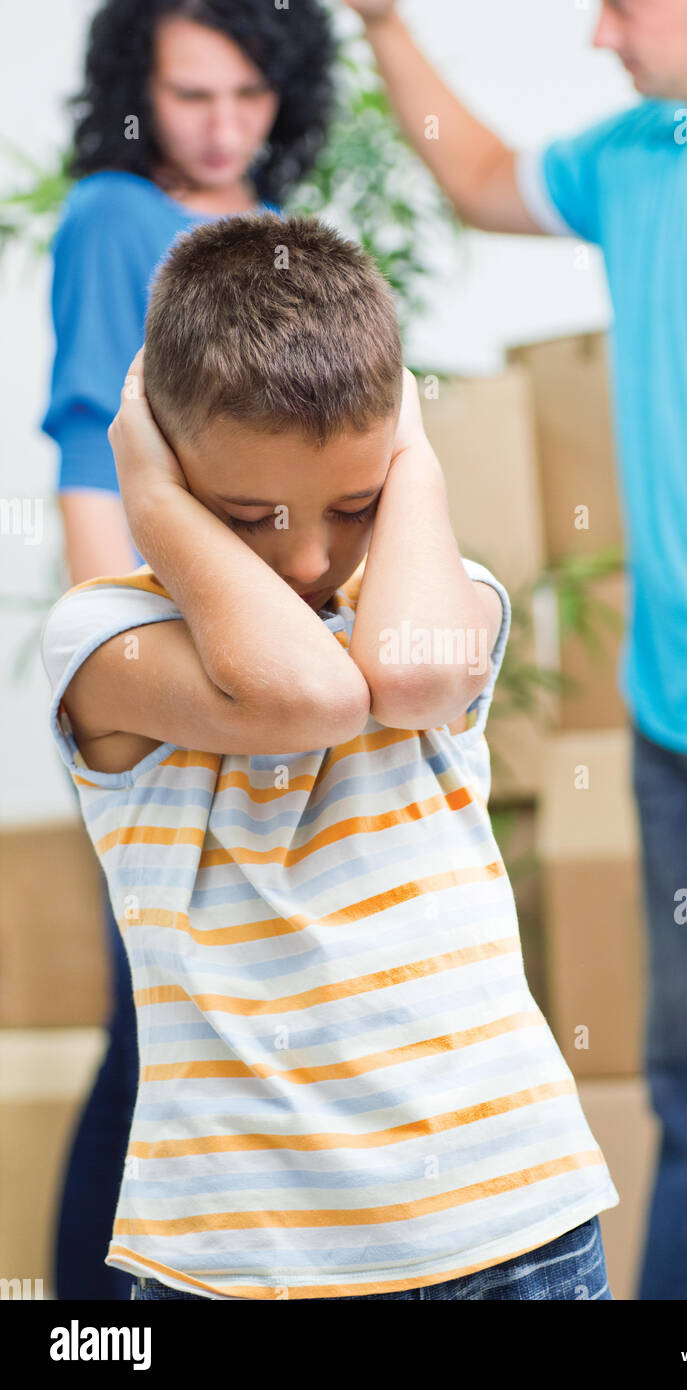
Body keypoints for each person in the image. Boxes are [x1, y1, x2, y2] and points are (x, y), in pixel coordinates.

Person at [339, 0, 687, 1299]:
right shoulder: (637, 157)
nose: (596, 34)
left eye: (621, 4)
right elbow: (470, 176)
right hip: (673, 729)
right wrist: (385, 24)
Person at [39, 211, 620, 1300]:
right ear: (165, 456)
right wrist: (151, 502)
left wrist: (413, 455)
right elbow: (306, 697)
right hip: (246, 1257)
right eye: (248, 513)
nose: (306, 554)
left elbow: (396, 678)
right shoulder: (100, 642)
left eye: (353, 505)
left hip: (509, 1221)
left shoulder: (448, 605)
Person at [40, 0, 336, 1299]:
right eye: (191, 97)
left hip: (283, 676)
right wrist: (136, 678)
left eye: (249, 99)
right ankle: (94, 1319)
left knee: (242, 1019)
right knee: (156, 1023)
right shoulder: (118, 218)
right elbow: (85, 457)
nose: (224, 131)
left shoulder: (270, 230)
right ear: (137, 90)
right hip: (181, 681)